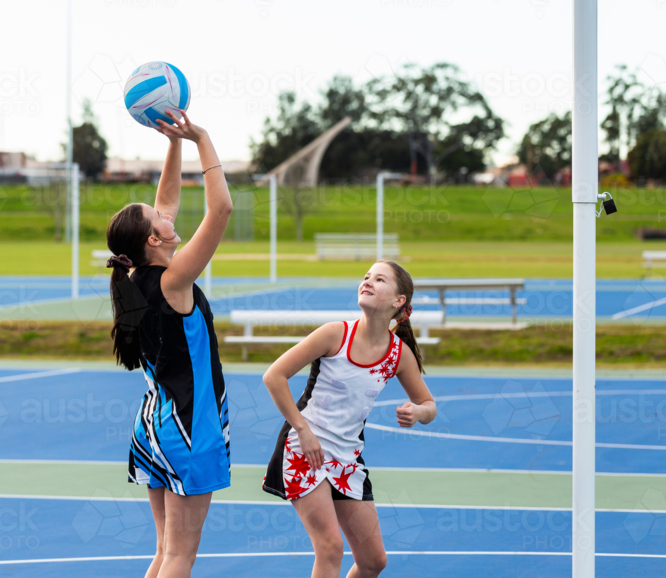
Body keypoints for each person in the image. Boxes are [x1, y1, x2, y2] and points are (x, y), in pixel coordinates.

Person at [105, 109, 232, 578]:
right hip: (189, 427)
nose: (165, 212)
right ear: (155, 238)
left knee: (163, 553)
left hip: (154, 427)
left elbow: (168, 199)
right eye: (158, 217)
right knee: (180, 557)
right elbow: (221, 210)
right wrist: (202, 138)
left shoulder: (137, 277)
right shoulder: (175, 280)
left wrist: (173, 144)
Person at [261, 260, 437, 578]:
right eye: (366, 276)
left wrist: (419, 412)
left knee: (373, 561)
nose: (368, 281)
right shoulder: (335, 334)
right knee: (330, 548)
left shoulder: (399, 355)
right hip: (304, 449)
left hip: (347, 458)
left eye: (379, 279)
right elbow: (274, 376)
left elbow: (428, 404)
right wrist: (302, 430)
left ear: (399, 302)